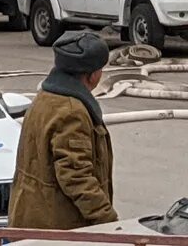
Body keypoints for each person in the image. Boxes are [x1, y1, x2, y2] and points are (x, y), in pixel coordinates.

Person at [9, 30, 117, 230]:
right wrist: (108, 221)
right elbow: (76, 176)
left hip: (32, 219)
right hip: (58, 226)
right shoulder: (72, 112)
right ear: (92, 75)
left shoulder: (45, 97)